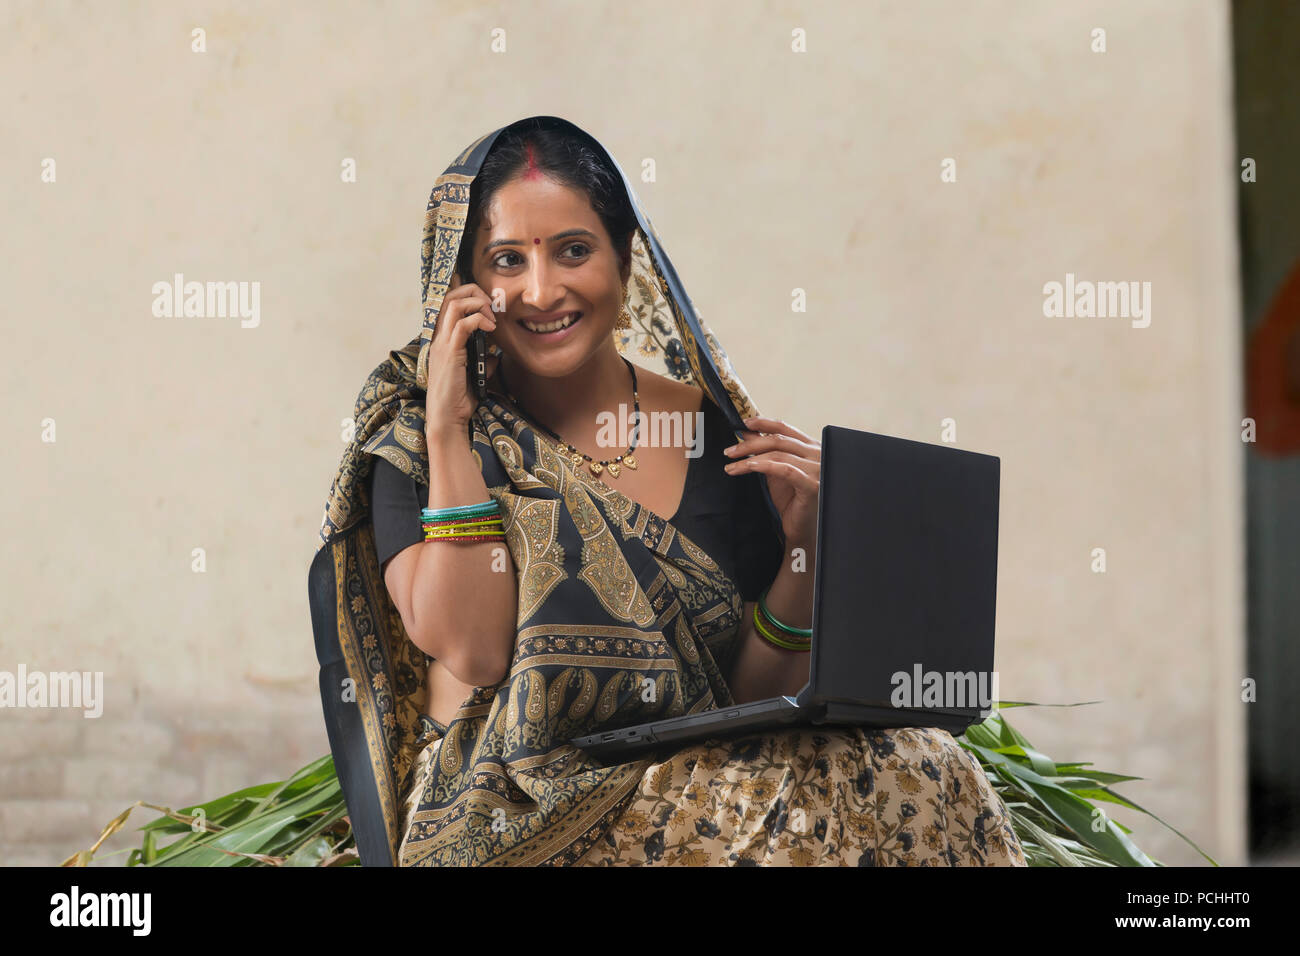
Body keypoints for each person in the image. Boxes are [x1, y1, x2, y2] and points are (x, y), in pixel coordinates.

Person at [310, 115, 1026, 866]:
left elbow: (742, 697)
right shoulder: (414, 440)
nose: (541, 290)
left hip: (702, 765)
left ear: (627, 261)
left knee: (928, 770)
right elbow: (477, 651)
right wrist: (451, 431)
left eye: (573, 251)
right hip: (504, 805)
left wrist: (810, 549)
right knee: (769, 825)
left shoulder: (708, 429)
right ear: (464, 285)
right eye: (506, 260)